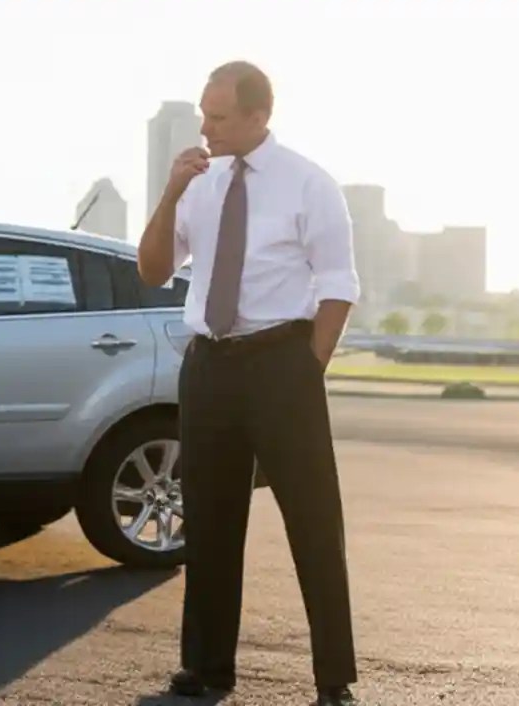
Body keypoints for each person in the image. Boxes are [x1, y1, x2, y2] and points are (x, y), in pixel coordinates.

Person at [137, 60, 362, 706]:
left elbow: (338, 288)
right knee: (207, 521)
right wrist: (171, 193)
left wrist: (302, 371)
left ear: (260, 116)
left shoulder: (308, 185)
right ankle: (207, 667)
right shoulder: (200, 186)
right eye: (204, 115)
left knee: (315, 523)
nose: (205, 127)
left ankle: (333, 679)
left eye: (219, 116)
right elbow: (154, 270)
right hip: (209, 364)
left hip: (281, 363)